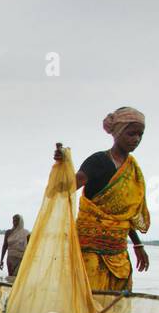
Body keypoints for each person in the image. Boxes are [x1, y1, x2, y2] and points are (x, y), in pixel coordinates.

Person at [54, 106, 150, 291]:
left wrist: (137, 244)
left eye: (140, 134)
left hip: (119, 254)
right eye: (131, 134)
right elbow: (64, 189)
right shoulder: (98, 161)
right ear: (118, 132)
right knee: (88, 302)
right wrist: (62, 165)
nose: (136, 139)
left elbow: (125, 214)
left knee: (115, 308)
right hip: (90, 252)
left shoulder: (132, 169)